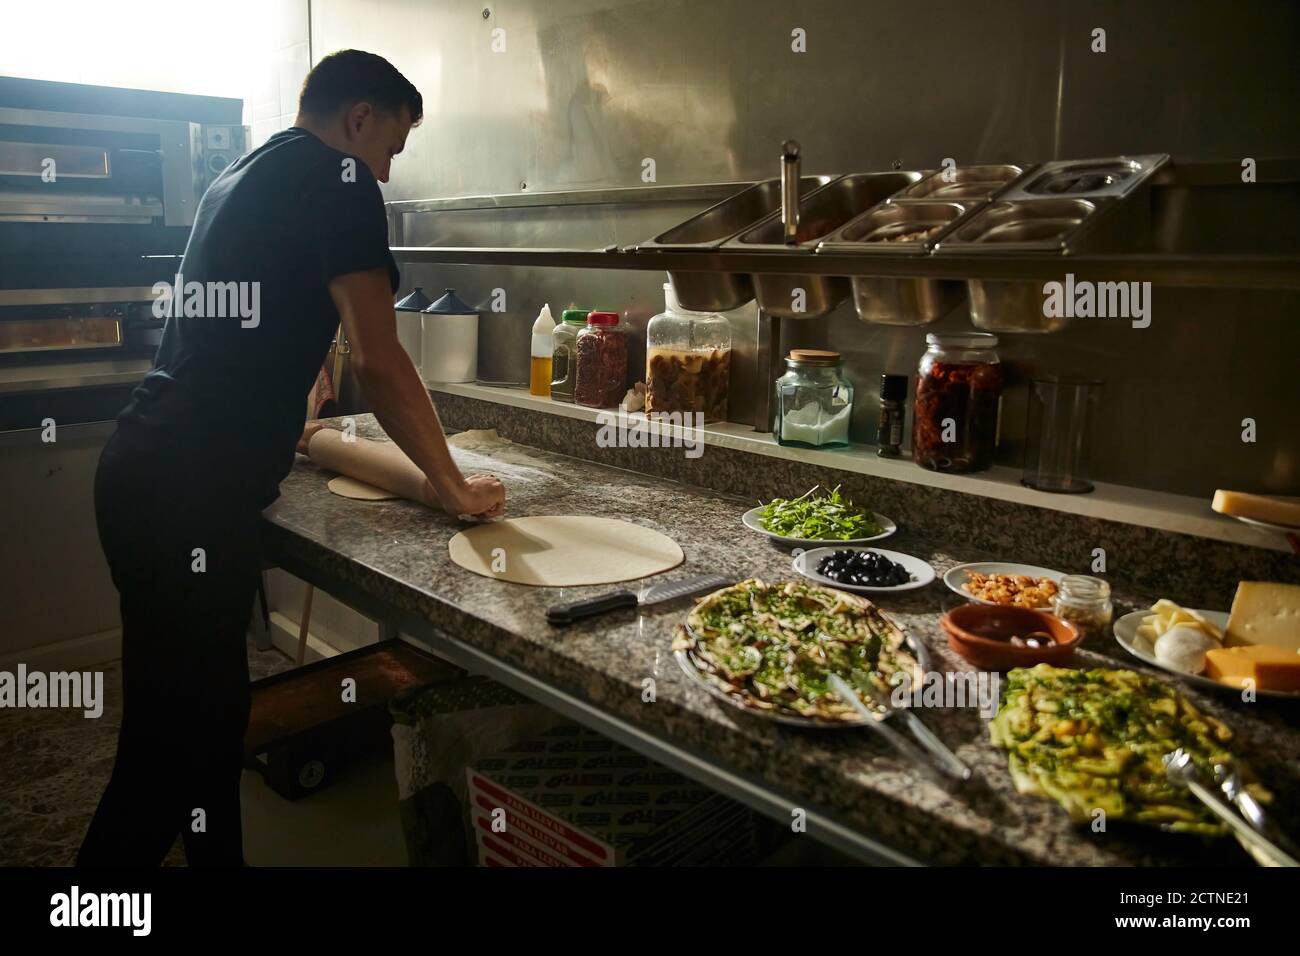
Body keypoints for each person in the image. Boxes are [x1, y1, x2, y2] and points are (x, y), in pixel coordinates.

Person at [78, 49, 505, 866]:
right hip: (188, 499)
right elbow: (378, 356)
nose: (383, 174)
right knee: (164, 758)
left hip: (142, 475)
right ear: (359, 120)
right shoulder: (340, 181)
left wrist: (294, 383)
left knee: (202, 724)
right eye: (391, 150)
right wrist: (451, 485)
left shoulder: (244, 173)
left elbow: (257, 312)